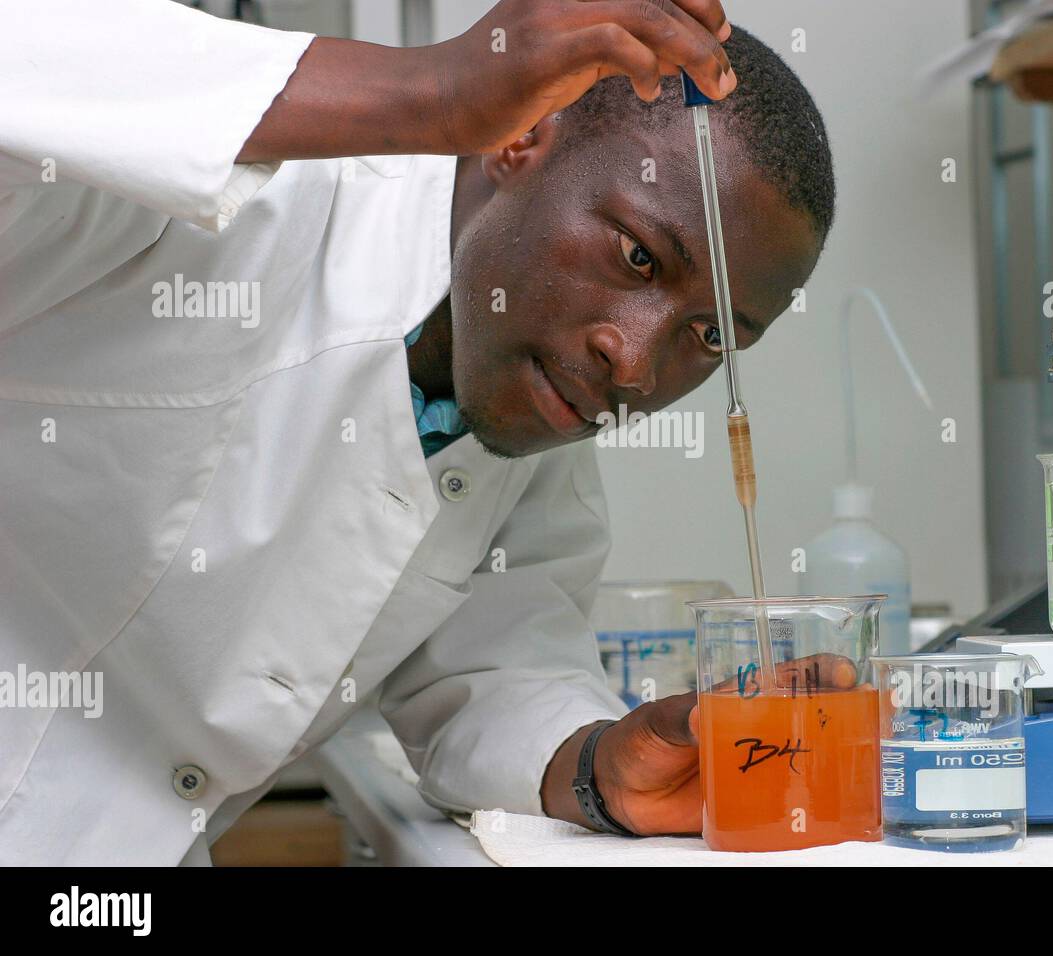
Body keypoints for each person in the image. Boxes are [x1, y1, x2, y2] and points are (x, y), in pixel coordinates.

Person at [0, 0, 835, 864]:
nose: (632, 365)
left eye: (711, 335)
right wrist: (431, 92)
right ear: (523, 139)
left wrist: (599, 769)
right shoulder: (218, 207)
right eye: (635, 257)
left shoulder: (526, 423)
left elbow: (491, 672)